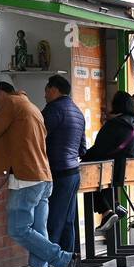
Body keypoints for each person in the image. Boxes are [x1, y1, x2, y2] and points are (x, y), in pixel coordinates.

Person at [0, 81, 76, 267]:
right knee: (39, 230)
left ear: (0, 94)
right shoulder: (31, 107)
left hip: (27, 178)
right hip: (44, 176)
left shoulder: (11, 104)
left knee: (18, 229)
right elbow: (14, 143)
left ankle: (63, 259)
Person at [41, 74, 87, 256]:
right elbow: (83, 149)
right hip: (73, 173)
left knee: (53, 222)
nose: (44, 95)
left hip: (58, 172)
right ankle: (68, 266)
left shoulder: (53, 110)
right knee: (68, 222)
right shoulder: (77, 112)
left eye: (46, 91)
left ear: (54, 89)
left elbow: (37, 137)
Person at [82, 91, 134, 232]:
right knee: (102, 172)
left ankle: (107, 211)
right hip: (128, 170)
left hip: (116, 170)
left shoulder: (114, 124)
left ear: (116, 104)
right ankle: (115, 205)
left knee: (89, 177)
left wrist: (83, 157)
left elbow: (99, 149)